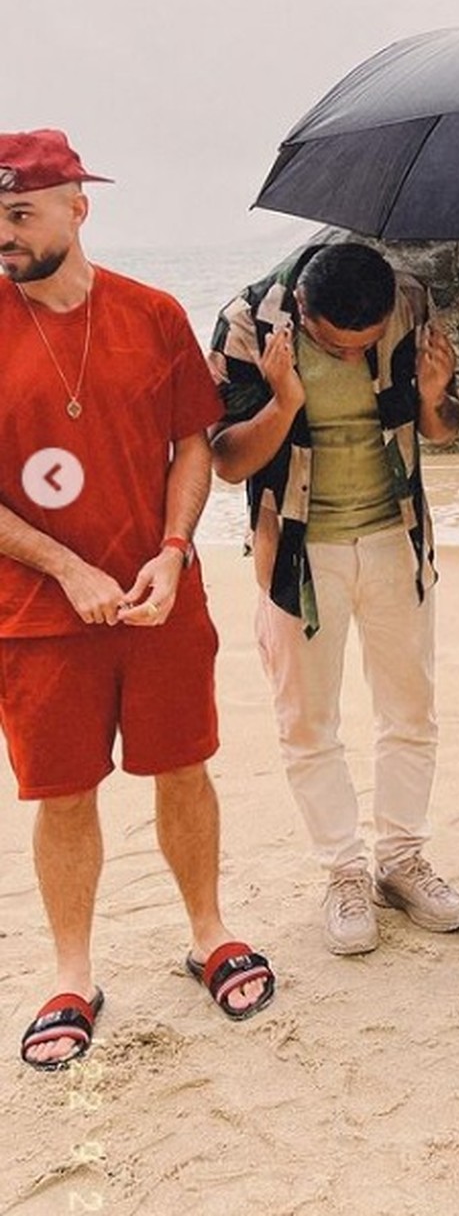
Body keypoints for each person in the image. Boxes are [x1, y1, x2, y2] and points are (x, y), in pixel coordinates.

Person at [0, 129, 275, 1071]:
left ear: (79, 205)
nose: (4, 232)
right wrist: (67, 569)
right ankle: (72, 977)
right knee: (64, 793)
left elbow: (193, 441)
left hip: (161, 598)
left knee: (183, 768)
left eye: (19, 212)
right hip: (36, 616)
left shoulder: (153, 314)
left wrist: (171, 550)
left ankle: (209, 933)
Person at [208, 238, 459, 955]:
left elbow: (446, 431)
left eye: (368, 343)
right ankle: (344, 871)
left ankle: (402, 859)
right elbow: (227, 461)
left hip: (398, 536)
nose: (356, 356)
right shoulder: (247, 324)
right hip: (296, 550)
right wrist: (285, 400)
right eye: (337, 346)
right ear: (302, 309)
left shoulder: (410, 303)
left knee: (410, 708)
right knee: (307, 722)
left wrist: (431, 398)